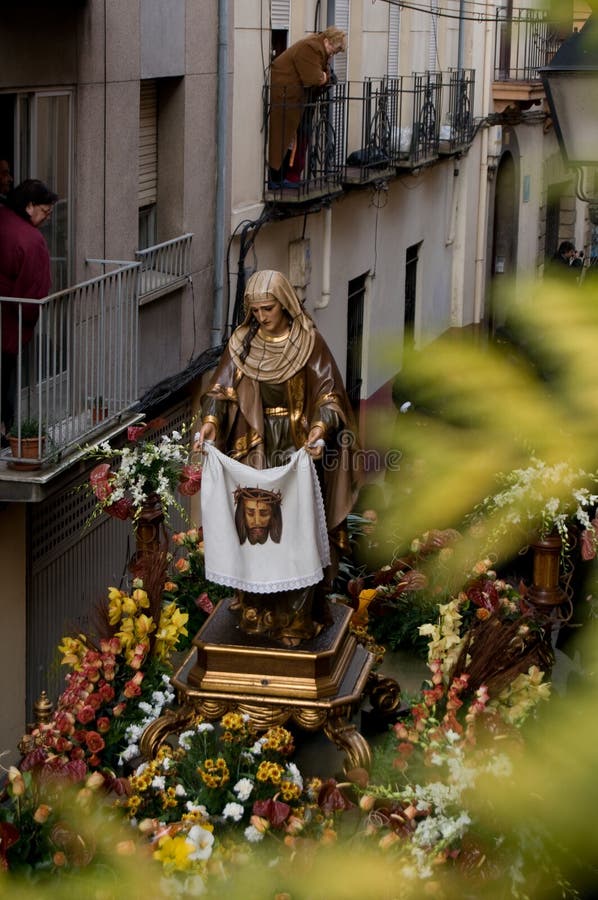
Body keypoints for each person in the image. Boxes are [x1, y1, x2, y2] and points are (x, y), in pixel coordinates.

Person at [196, 269, 362, 645]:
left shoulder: (308, 343)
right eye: (254, 311)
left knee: (296, 530)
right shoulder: (242, 344)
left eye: (267, 309)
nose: (261, 317)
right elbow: (220, 390)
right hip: (254, 449)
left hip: (296, 448)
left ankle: (297, 616)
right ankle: (257, 607)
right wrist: (210, 422)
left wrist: (319, 430)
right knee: (256, 527)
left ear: (285, 304)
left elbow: (329, 395)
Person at [0, 179, 58, 440]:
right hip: (8, 326)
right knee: (5, 383)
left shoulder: (4, 220)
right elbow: (33, 292)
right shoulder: (30, 240)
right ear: (30, 206)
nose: (47, 218)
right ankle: (6, 432)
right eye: (45, 212)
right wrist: (29, 321)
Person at [268, 26, 346, 187]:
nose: (333, 54)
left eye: (337, 52)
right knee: (284, 138)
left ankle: (284, 178)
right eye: (334, 49)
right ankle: (277, 179)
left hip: (295, 100)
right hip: (286, 98)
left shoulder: (319, 50)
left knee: (292, 139)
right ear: (327, 41)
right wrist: (325, 76)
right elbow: (313, 78)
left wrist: (324, 76)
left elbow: (324, 77)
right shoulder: (311, 47)